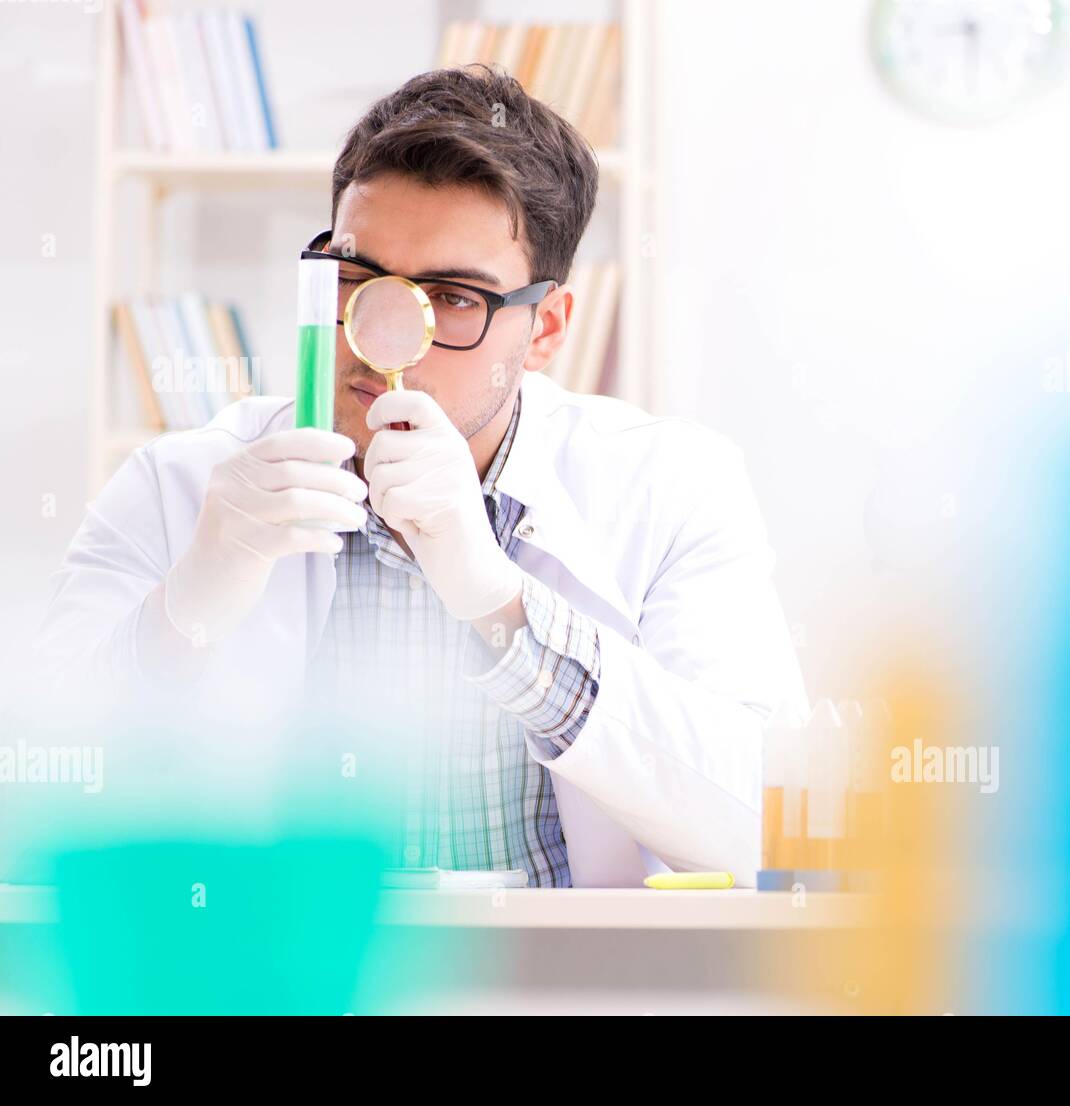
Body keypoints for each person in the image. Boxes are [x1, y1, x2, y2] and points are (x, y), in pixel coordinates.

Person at [38, 65, 808, 888]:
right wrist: (181, 613)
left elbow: (757, 827)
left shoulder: (674, 485)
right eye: (354, 278)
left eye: (451, 297)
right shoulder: (176, 487)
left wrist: (501, 605)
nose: (378, 336)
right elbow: (40, 795)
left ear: (545, 329)